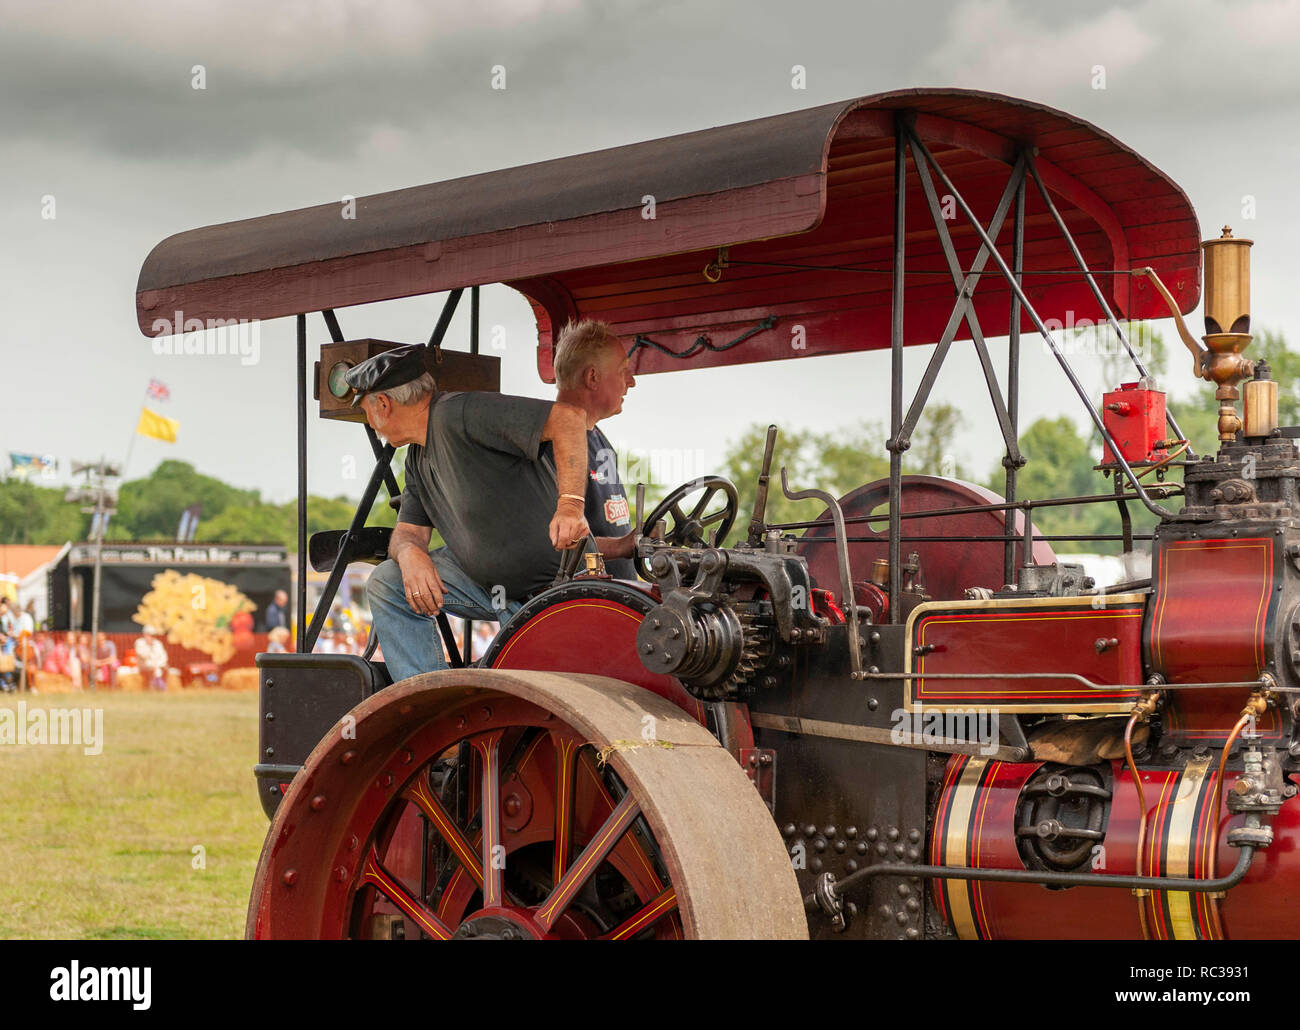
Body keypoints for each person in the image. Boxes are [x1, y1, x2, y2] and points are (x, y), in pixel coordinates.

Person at [347, 343, 591, 682]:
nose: (370, 424)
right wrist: (409, 554)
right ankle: (428, 697)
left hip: (560, 590)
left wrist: (570, 505)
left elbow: (569, 418)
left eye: (366, 412)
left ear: (384, 405)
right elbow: (409, 533)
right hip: (497, 593)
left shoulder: (461, 413)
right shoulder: (417, 458)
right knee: (388, 582)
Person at [548, 319, 638, 579]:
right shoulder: (548, 447)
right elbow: (550, 543)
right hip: (584, 605)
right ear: (593, 377)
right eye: (623, 371)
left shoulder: (599, 439)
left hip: (618, 597)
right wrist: (623, 546)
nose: (631, 382)